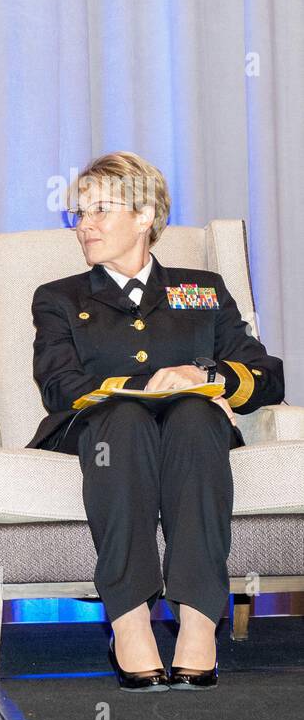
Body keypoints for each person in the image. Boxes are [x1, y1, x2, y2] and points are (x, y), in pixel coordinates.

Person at [29, 151, 284, 691]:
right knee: (123, 420)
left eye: (100, 210)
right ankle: (128, 618)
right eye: (79, 213)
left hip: (188, 428)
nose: (85, 225)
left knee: (195, 416)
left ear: (144, 216)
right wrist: (144, 386)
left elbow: (267, 375)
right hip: (98, 431)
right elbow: (59, 388)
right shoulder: (59, 298)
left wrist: (204, 372)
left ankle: (197, 621)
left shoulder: (201, 289)